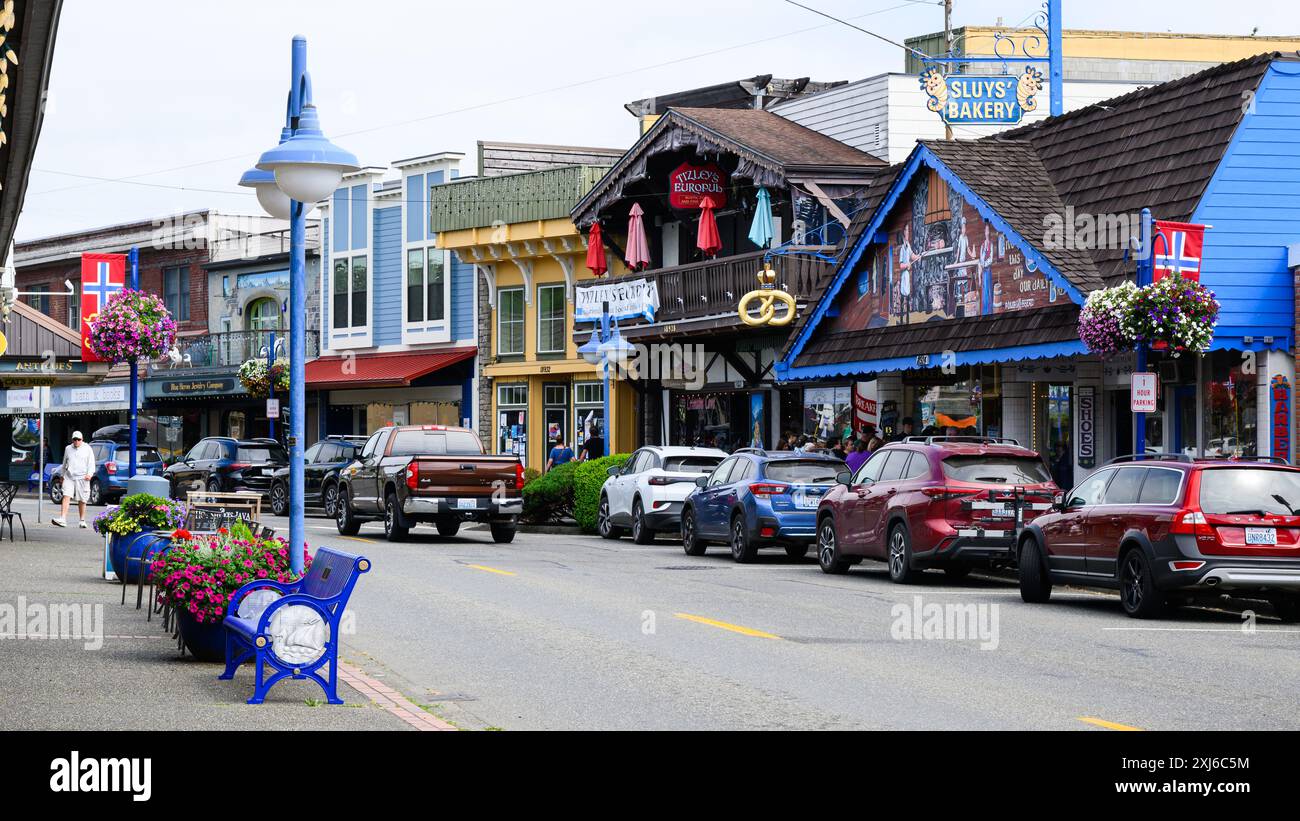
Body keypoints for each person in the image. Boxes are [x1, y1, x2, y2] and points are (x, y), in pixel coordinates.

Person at [53, 431, 95, 529]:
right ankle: (63, 518)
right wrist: (62, 476)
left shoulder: (88, 448)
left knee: (82, 499)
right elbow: (64, 463)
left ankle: (82, 520)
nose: (76, 441)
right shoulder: (68, 448)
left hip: (82, 477)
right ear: (72, 440)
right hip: (69, 476)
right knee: (66, 495)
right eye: (74, 439)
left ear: (82, 439)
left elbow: (91, 463)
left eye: (78, 440)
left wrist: (89, 474)